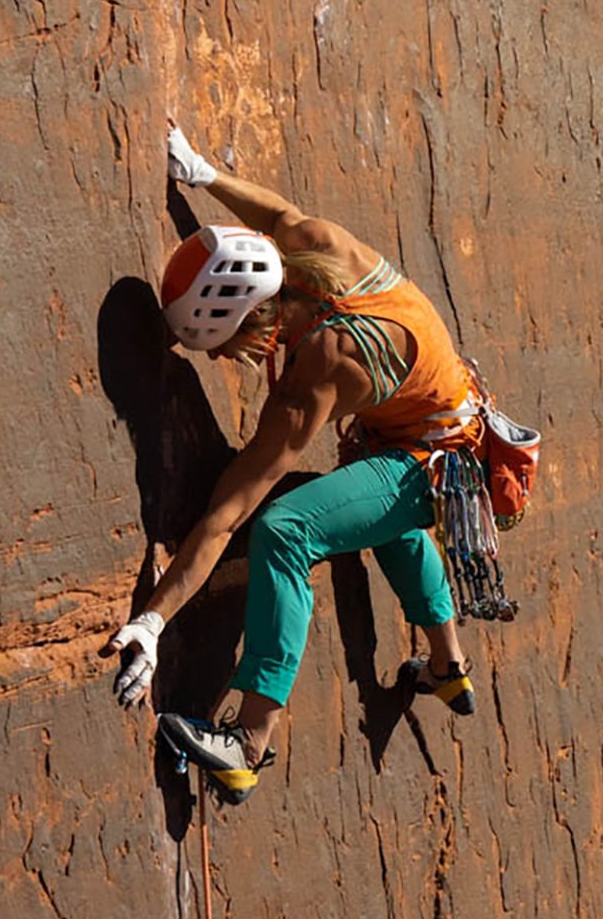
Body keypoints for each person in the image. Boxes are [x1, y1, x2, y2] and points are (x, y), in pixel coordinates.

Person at [105, 121, 482, 802]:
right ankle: (447, 666)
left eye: (221, 347)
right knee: (371, 506)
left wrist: (153, 618)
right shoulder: (316, 248)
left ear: (253, 326)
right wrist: (201, 174)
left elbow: (230, 512)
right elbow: (277, 214)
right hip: (445, 425)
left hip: (432, 463)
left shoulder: (322, 371)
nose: (224, 361)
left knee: (288, 528)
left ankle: (248, 743)